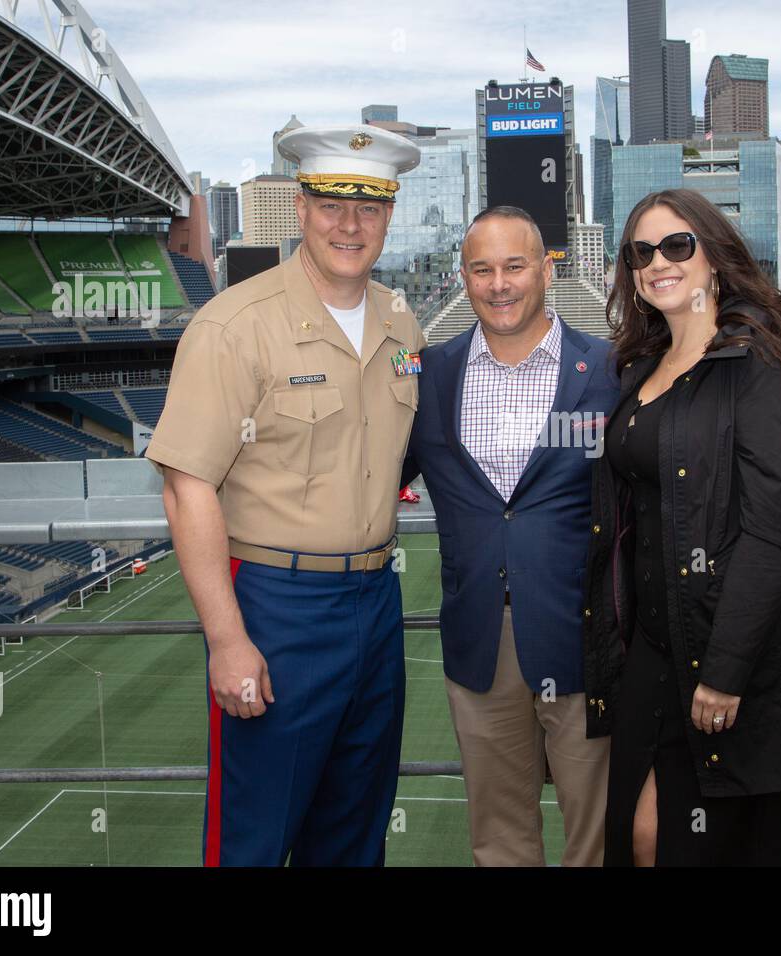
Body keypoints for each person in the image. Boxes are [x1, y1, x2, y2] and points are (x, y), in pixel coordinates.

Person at [145, 124, 425, 866]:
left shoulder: (401, 320)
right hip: (276, 605)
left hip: (376, 602)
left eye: (369, 206)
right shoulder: (235, 324)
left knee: (355, 835)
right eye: (332, 202)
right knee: (256, 838)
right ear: (300, 207)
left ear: (389, 215)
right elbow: (187, 485)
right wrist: (228, 640)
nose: (350, 224)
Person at [582, 188, 781, 866]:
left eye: (676, 245)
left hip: (728, 653)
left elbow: (772, 535)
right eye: (641, 252)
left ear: (716, 260)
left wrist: (724, 673)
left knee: (702, 844)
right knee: (637, 838)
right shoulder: (641, 368)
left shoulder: (759, 366)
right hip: (651, 649)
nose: (656, 262)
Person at [401, 206, 617, 865]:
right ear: (464, 277)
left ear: (546, 270)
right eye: (482, 268)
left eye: (515, 266)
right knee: (499, 841)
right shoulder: (429, 372)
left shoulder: (610, 368)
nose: (499, 284)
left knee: (596, 839)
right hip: (479, 642)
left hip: (583, 637)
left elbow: (661, 475)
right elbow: (369, 471)